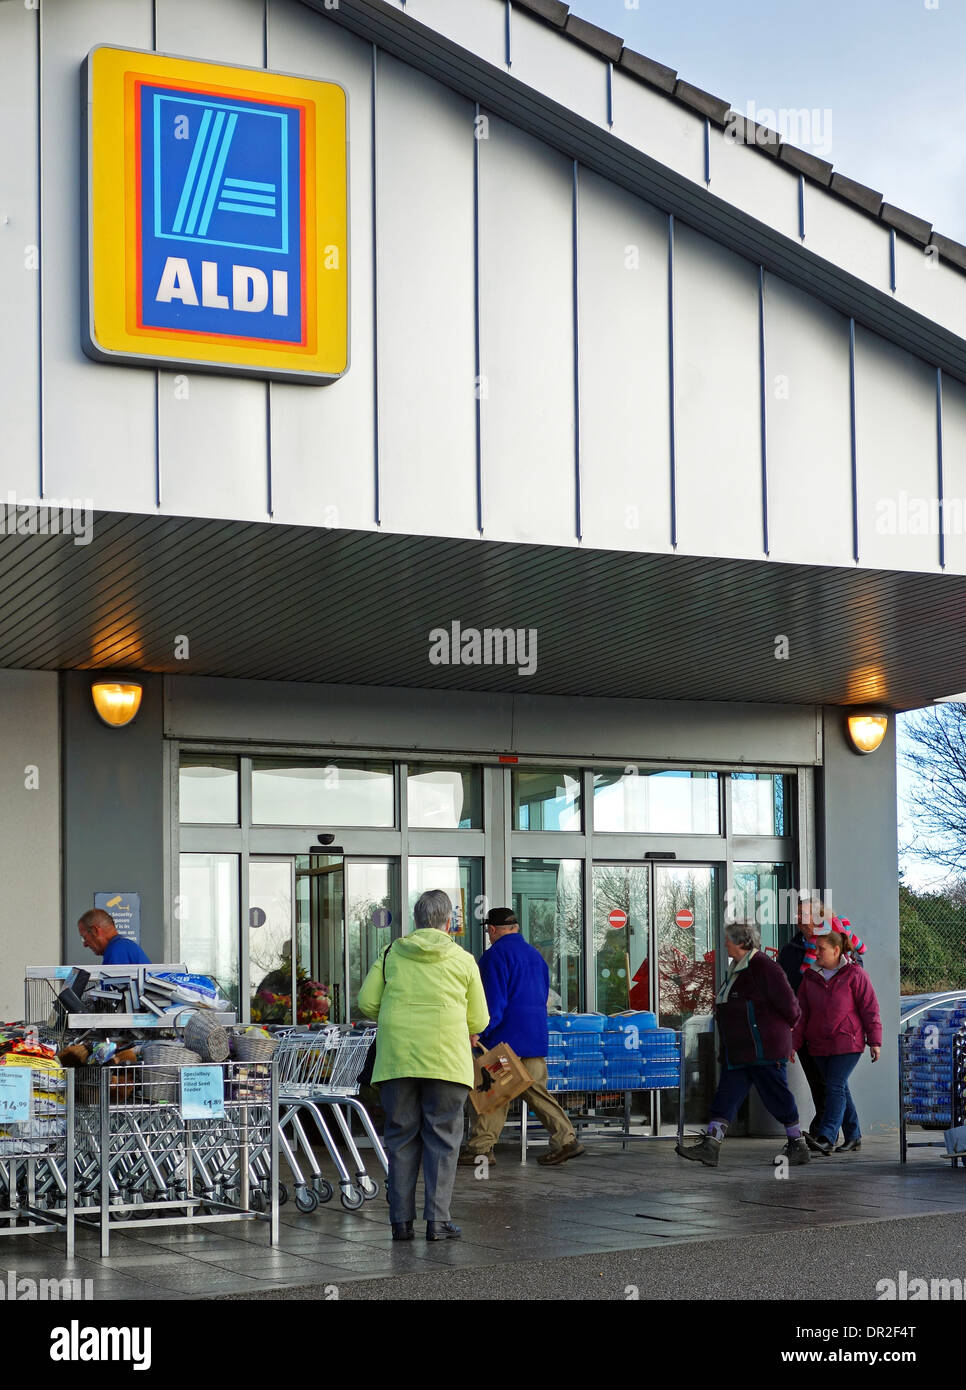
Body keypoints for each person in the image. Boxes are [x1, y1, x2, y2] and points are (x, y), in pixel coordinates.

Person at [357, 889, 488, 1242]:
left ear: (416, 920)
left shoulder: (390, 954)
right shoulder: (463, 959)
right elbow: (480, 1018)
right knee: (443, 1139)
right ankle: (438, 1221)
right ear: (449, 921)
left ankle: (401, 1222)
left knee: (400, 1137)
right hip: (446, 1061)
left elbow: (367, 1002)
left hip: (397, 1059)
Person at [458, 907, 585, 1169]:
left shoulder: (494, 957)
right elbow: (542, 998)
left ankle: (480, 1150)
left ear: (492, 930)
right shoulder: (536, 957)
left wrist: (479, 1031)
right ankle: (563, 1139)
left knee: (492, 1092)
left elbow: (493, 1004)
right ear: (515, 927)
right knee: (530, 1093)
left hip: (505, 1043)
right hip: (534, 1039)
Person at [676, 920, 808, 1168]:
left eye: (728, 939)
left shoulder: (764, 967)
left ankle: (797, 1144)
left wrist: (780, 1031)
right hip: (741, 1050)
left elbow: (791, 1007)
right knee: (726, 1095)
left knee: (776, 1095)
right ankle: (711, 1146)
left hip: (763, 1048)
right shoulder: (737, 967)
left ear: (740, 942)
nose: (724, 943)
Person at [791, 919, 882, 1155]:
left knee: (834, 1086)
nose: (816, 953)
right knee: (840, 1088)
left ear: (836, 950)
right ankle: (854, 1136)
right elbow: (801, 1015)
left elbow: (869, 1008)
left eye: (821, 949)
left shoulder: (855, 974)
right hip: (819, 1045)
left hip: (847, 1041)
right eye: (815, 949)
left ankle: (826, 1136)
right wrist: (793, 1045)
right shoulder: (810, 978)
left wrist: (874, 1041)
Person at [777, 896, 827, 1142]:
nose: (797, 919)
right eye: (796, 914)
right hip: (801, 1026)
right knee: (820, 1083)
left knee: (833, 1084)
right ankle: (850, 1133)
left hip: (827, 1027)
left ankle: (824, 1132)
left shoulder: (832, 946)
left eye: (802, 914)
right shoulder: (790, 950)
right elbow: (781, 987)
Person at [77, 909, 150, 964]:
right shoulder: (122, 946)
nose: (85, 944)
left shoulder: (118, 950)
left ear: (95, 930)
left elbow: (116, 984)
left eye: (84, 937)